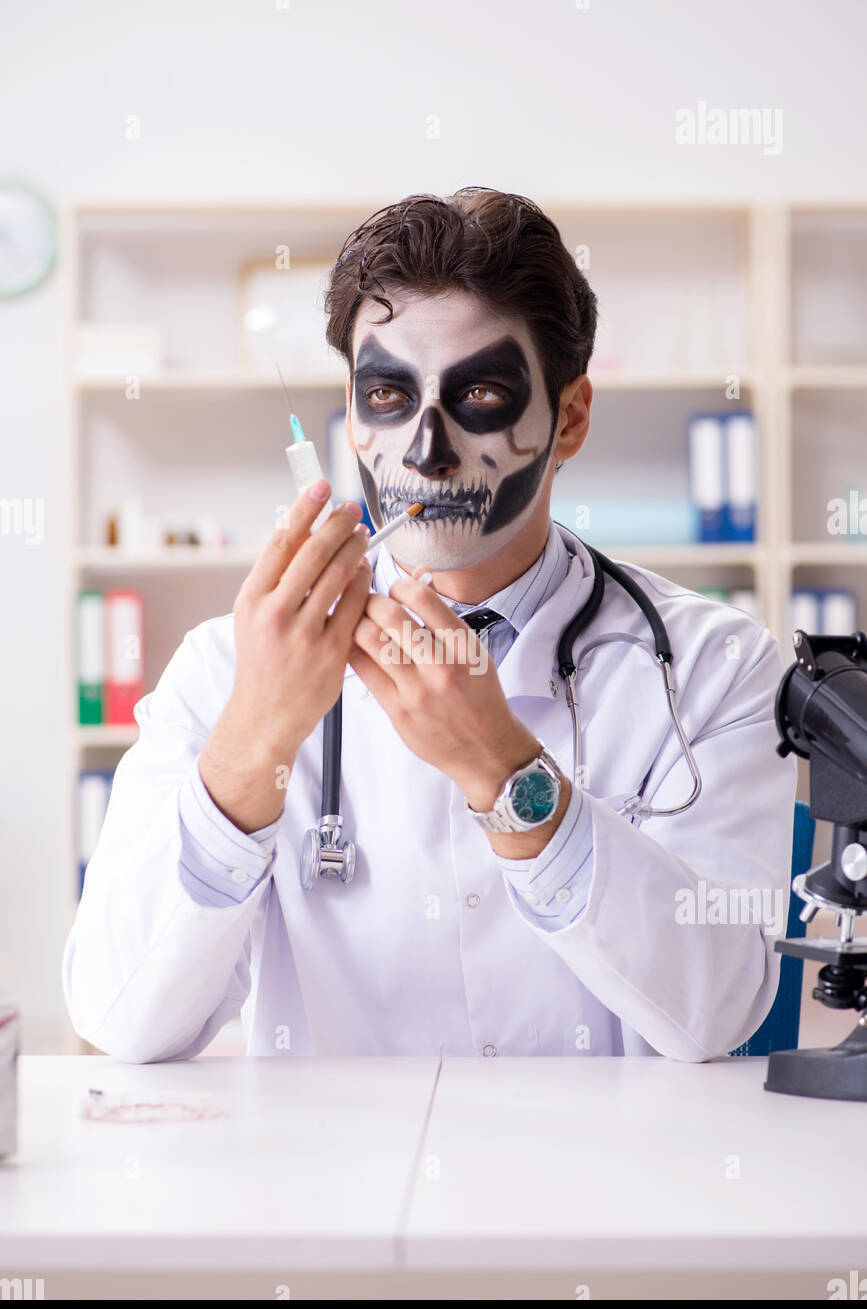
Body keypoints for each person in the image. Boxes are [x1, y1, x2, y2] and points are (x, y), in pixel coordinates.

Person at [62, 187, 796, 1064]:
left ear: (568, 419)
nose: (425, 452)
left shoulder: (714, 667)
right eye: (388, 394)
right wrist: (254, 737)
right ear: (351, 417)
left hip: (612, 1157)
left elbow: (720, 1011)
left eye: (480, 392)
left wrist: (506, 773)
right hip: (336, 1157)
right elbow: (119, 1019)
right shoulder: (228, 668)